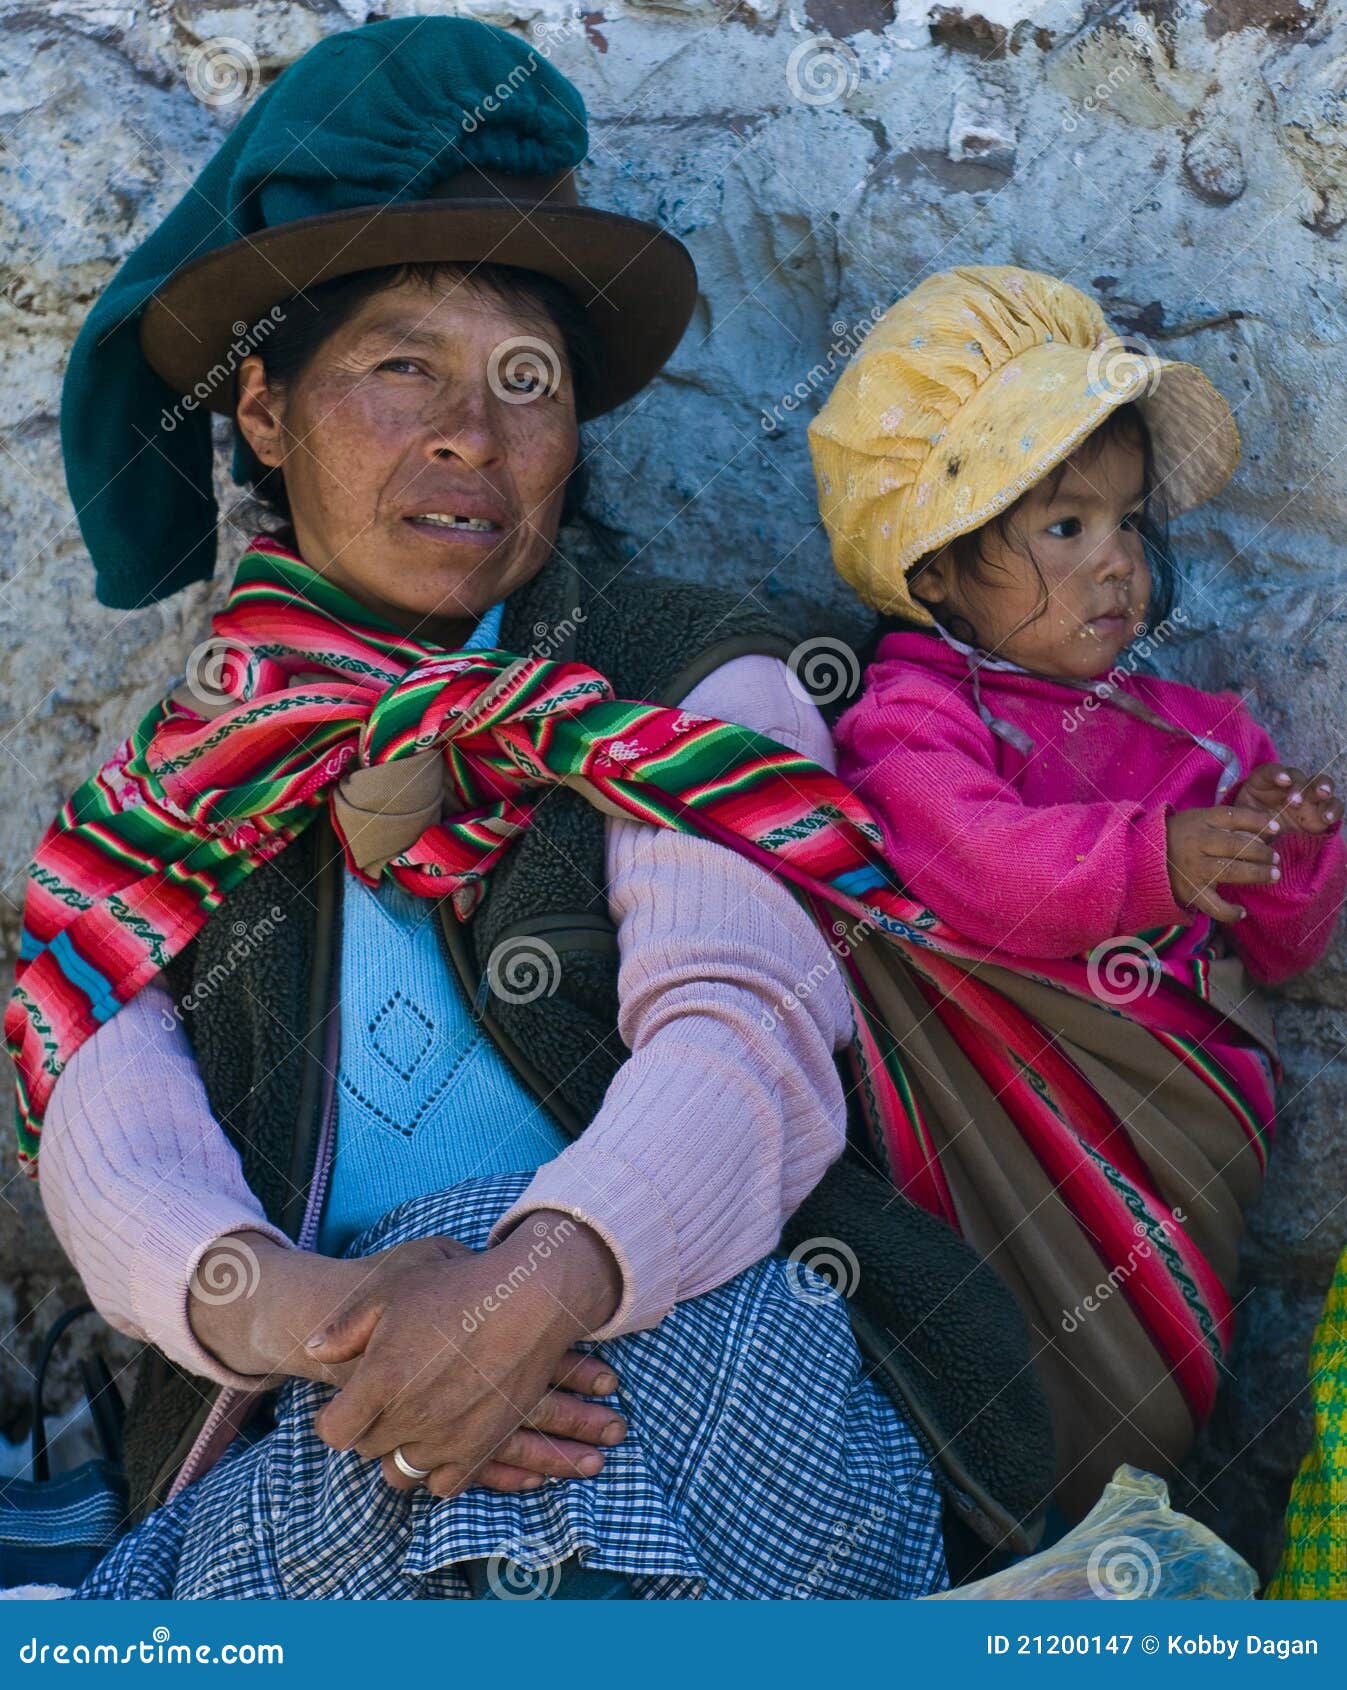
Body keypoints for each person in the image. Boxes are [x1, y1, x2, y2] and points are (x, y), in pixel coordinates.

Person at [6, 18, 967, 1600]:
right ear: (261, 411)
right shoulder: (174, 787)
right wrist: (349, 1315)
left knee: (646, 1385)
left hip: (693, 1346)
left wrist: (536, 1281)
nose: (471, 433)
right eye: (401, 366)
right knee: (352, 1466)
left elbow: (745, 1036)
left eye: (526, 378)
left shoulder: (684, 681)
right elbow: (111, 1139)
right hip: (333, 1390)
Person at [807, 264, 1346, 1518]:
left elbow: (1286, 943)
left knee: (1149, 1397)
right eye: (1062, 528)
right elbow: (973, 867)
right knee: (1021, 1383)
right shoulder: (916, 715)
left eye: (1124, 523)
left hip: (1175, 1152)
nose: (1115, 565)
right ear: (934, 566)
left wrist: (1287, 846)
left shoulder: (1198, 734)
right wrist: (1160, 861)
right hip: (1005, 1154)